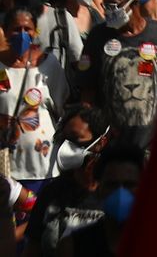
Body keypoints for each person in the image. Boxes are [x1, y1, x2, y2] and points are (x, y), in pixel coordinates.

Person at [77, 0, 157, 149]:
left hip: (151, 142)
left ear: (134, 3)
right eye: (106, 6)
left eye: (115, 6)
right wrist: (92, 132)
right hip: (111, 143)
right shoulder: (98, 36)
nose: (109, 12)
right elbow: (87, 90)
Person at [22, 105, 110, 256]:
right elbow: (32, 249)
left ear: (100, 143)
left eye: (76, 139)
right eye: (65, 139)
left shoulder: (112, 194)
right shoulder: (52, 193)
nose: (66, 147)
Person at [0, 6, 67, 196]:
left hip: (44, 163)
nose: (22, 34)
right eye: (16, 29)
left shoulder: (49, 65)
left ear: (35, 31)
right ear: (5, 31)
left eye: (27, 29)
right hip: (8, 166)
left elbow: (61, 105)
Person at [55, 143, 143, 257]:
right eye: (112, 185)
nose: (121, 193)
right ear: (98, 189)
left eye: (129, 185)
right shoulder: (72, 247)